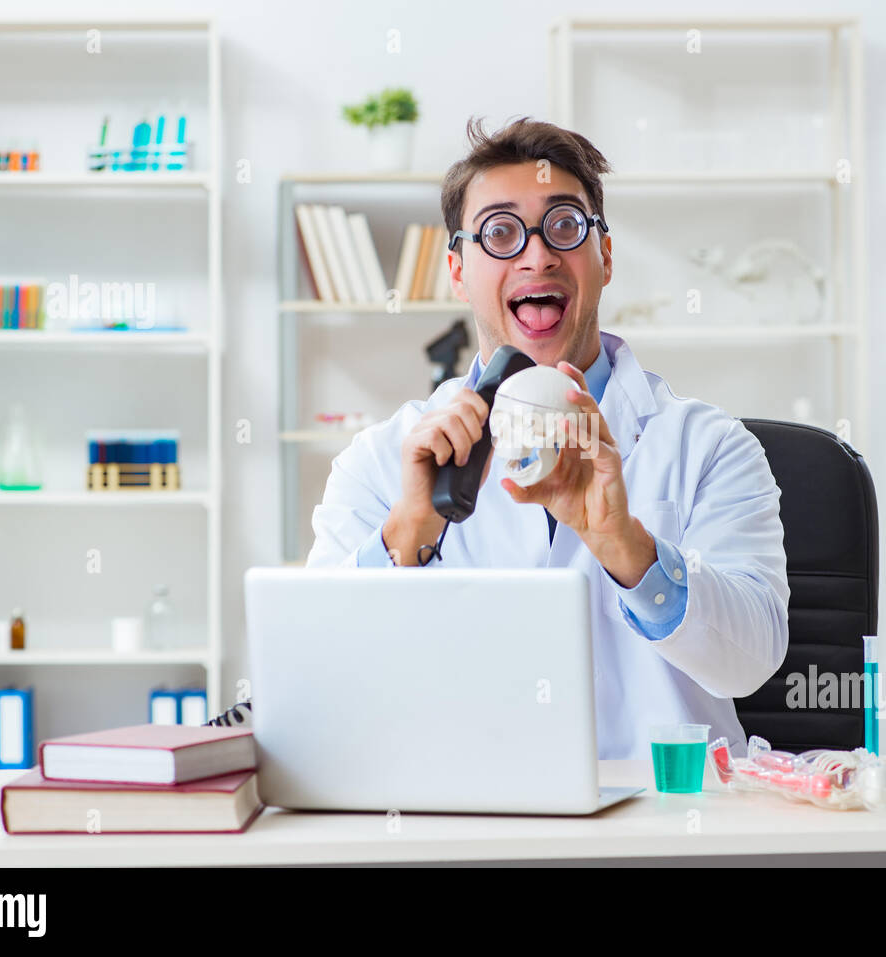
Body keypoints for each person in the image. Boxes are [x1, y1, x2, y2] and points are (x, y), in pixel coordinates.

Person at [306, 116, 789, 759]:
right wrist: (408, 535)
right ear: (456, 270)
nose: (537, 255)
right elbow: (319, 679)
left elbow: (751, 661)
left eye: (564, 225)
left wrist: (627, 546)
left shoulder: (710, 446)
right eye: (500, 232)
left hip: (665, 829)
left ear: (605, 257)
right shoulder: (378, 463)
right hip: (465, 825)